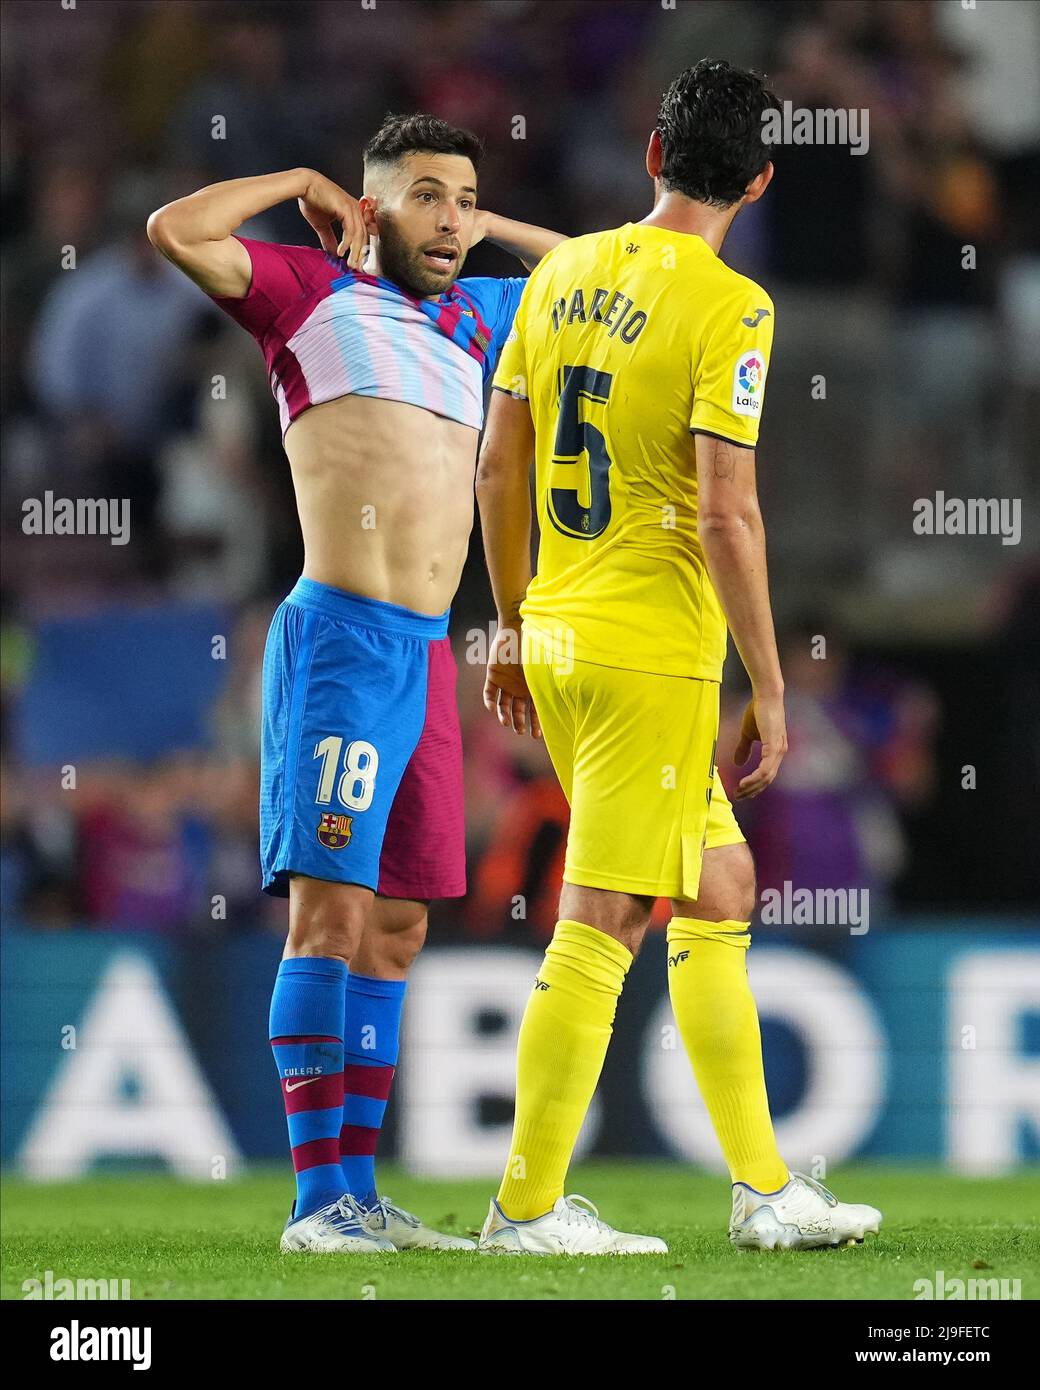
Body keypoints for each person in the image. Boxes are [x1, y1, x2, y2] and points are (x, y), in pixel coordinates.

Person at [475, 60, 881, 1254]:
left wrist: (510, 620)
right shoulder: (731, 307)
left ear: (651, 155)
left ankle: (763, 1191)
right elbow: (724, 514)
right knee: (604, 915)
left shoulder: (558, 273)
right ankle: (523, 1208)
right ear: (757, 182)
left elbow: (496, 465)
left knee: (719, 887)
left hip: (557, 630)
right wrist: (769, 683)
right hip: (648, 653)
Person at [148, 113, 566, 1253]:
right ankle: (313, 1203)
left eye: (465, 199)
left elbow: (594, 272)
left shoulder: (481, 314)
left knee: (397, 926)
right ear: (371, 206)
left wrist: (483, 223)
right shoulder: (308, 296)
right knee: (327, 919)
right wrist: (300, 177)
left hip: (428, 655)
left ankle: (360, 1192)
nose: (453, 219)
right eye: (428, 195)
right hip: (339, 641)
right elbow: (174, 229)